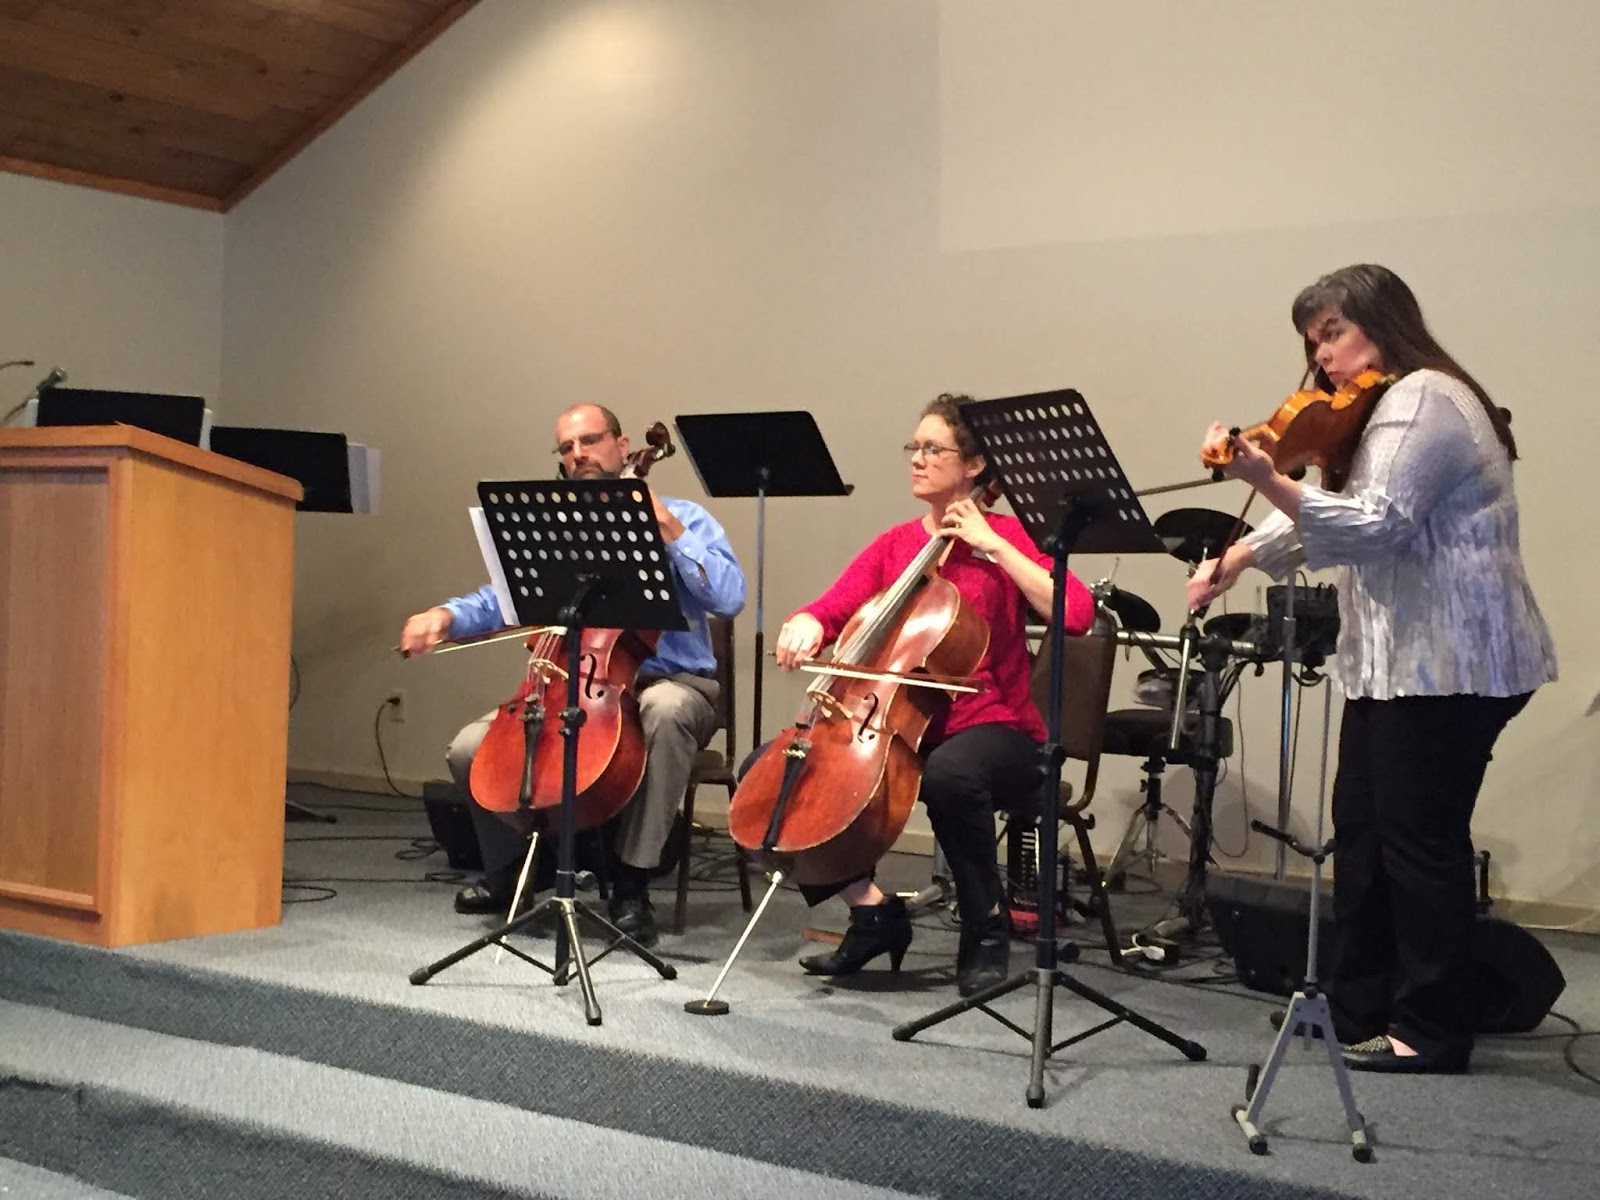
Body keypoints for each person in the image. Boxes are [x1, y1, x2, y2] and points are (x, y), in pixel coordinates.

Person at [1188, 264, 1557, 1074]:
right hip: (1394, 665)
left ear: (1383, 324)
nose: (1322, 357)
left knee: (1418, 845)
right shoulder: (1375, 413)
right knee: (1361, 833)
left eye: (1333, 335)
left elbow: (1376, 526)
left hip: (1455, 663)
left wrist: (1267, 480)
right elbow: (1337, 520)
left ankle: (1430, 1028)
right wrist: (1243, 554)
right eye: (1313, 342)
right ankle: (1357, 1006)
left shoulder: (1425, 399)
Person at [763, 394, 1095, 996]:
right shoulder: (895, 546)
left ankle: (985, 924)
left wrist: (995, 547)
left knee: (950, 773)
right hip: (897, 727)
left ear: (973, 466)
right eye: (913, 447)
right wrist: (807, 621)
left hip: (996, 729)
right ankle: (872, 913)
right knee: (775, 777)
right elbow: (833, 606)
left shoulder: (1010, 538)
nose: (916, 459)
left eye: (932, 449)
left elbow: (1076, 613)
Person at [399, 403, 746, 947]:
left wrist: (669, 529)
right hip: (579, 684)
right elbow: (503, 598)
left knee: (665, 712)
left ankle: (632, 881)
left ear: (620, 443)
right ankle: (512, 873)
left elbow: (729, 596)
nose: (578, 454)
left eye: (589, 440)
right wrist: (446, 616)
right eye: (566, 447)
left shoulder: (684, 514)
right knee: (470, 749)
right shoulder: (556, 525)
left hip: (673, 682)